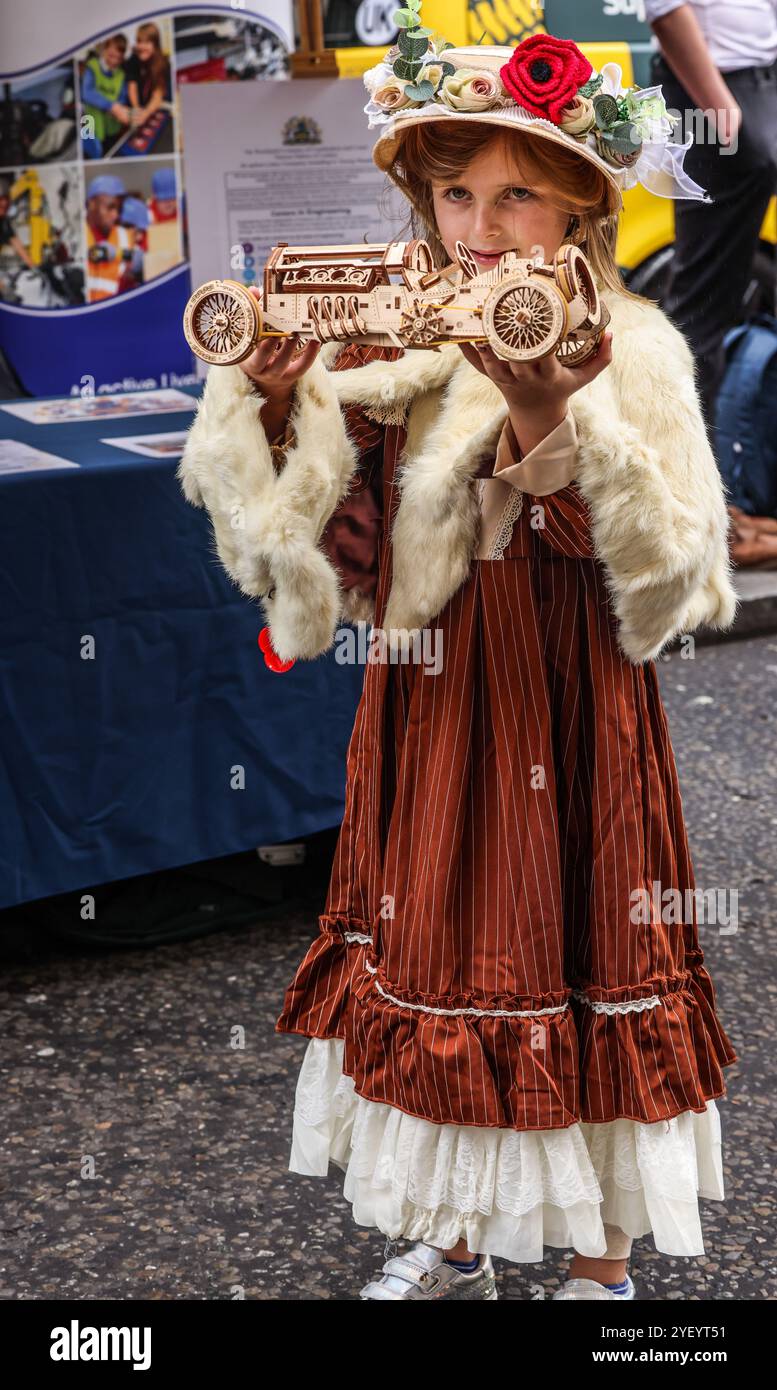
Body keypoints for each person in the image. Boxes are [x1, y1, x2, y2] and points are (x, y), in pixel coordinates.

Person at [178, 24, 739, 1301]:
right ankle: (459, 1217)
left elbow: (661, 576)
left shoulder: (633, 345)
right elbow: (336, 547)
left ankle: (597, 1259)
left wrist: (546, 406)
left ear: (581, 206)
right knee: (436, 940)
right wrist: (279, 403)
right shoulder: (391, 338)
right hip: (433, 686)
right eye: (454, 193)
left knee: (579, 937)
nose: (481, 223)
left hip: (565, 687)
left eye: (516, 194)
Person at [645, 0, 777, 563]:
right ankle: (690, 520)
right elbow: (665, 7)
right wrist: (723, 110)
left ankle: (713, 510)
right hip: (715, 86)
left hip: (753, 81)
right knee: (698, 314)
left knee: (712, 314)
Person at [80, 35, 132, 157]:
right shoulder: (92, 66)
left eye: (118, 58)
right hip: (89, 122)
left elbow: (122, 96)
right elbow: (86, 93)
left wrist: (120, 105)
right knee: (88, 154)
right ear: (103, 51)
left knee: (109, 153)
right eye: (111, 56)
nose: (114, 61)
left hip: (111, 126)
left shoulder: (121, 74)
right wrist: (111, 106)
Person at [84, 173, 130, 302]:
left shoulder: (124, 235)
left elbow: (138, 260)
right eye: (110, 207)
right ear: (92, 204)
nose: (115, 215)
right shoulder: (74, 234)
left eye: (118, 209)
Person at [125, 22, 172, 125]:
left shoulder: (163, 63)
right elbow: (132, 87)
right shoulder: (133, 60)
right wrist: (137, 111)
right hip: (136, 107)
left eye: (147, 42)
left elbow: (158, 94)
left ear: (155, 44)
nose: (141, 46)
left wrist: (146, 113)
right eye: (139, 41)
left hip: (154, 107)